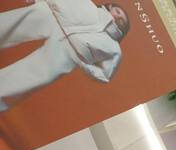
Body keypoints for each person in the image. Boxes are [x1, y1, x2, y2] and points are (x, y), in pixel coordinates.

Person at [0, 0, 129, 111]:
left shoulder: (114, 48)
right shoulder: (88, 5)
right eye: (118, 11)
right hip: (51, 16)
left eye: (122, 20)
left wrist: (85, 65)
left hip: (67, 54)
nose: (118, 17)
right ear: (110, 7)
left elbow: (106, 74)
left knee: (28, 77)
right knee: (10, 24)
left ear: (123, 30)